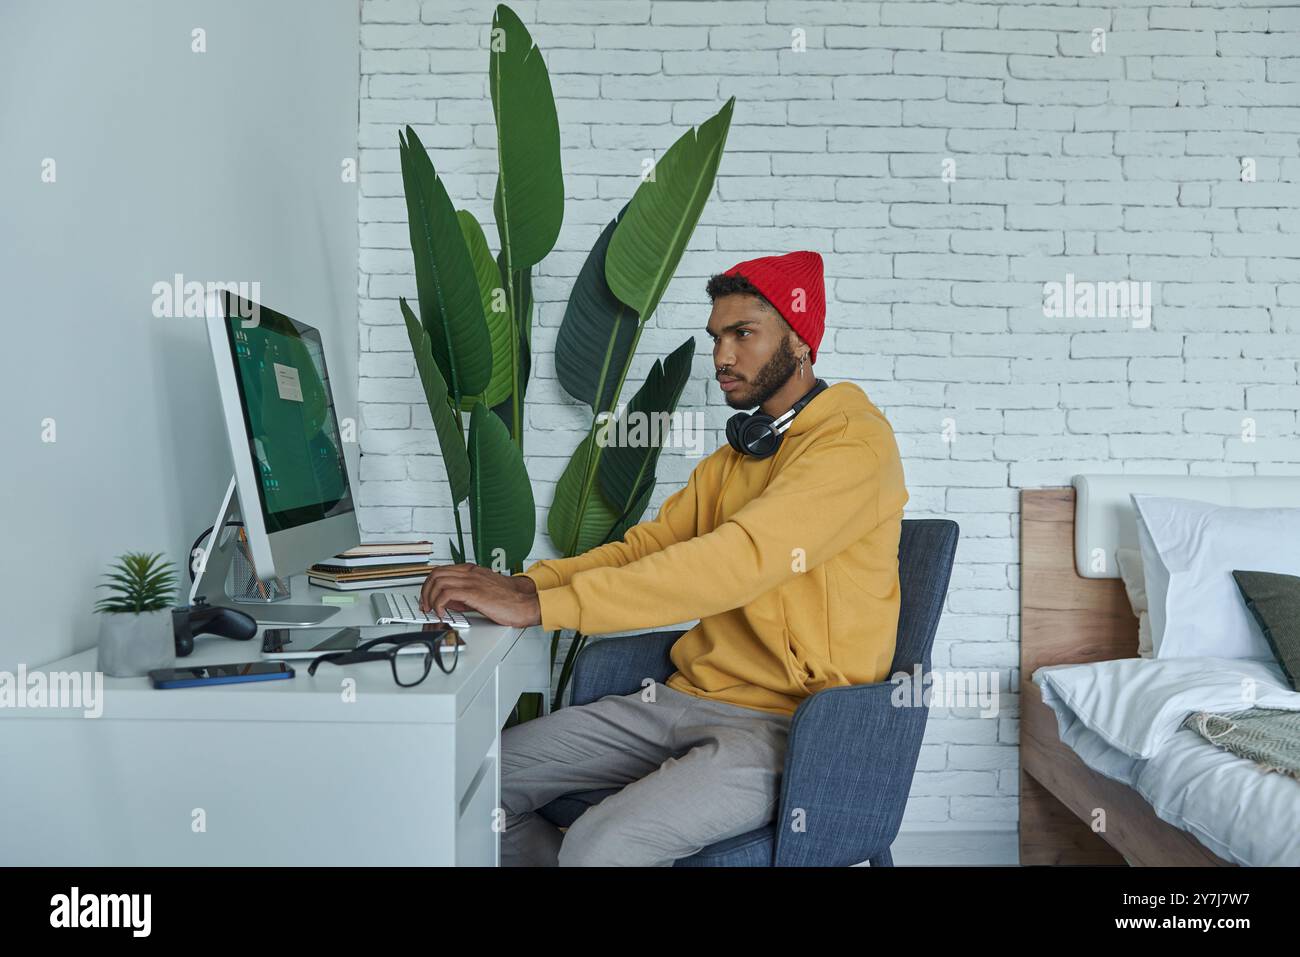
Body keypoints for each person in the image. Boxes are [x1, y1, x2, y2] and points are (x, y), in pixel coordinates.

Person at [419, 250, 909, 866]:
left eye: (743, 334)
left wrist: (546, 607)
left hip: (789, 727)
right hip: (679, 698)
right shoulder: (737, 458)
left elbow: (736, 560)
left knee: (601, 844)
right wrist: (526, 584)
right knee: (471, 780)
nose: (722, 357)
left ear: (800, 339)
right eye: (716, 338)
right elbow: (647, 547)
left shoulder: (852, 446)